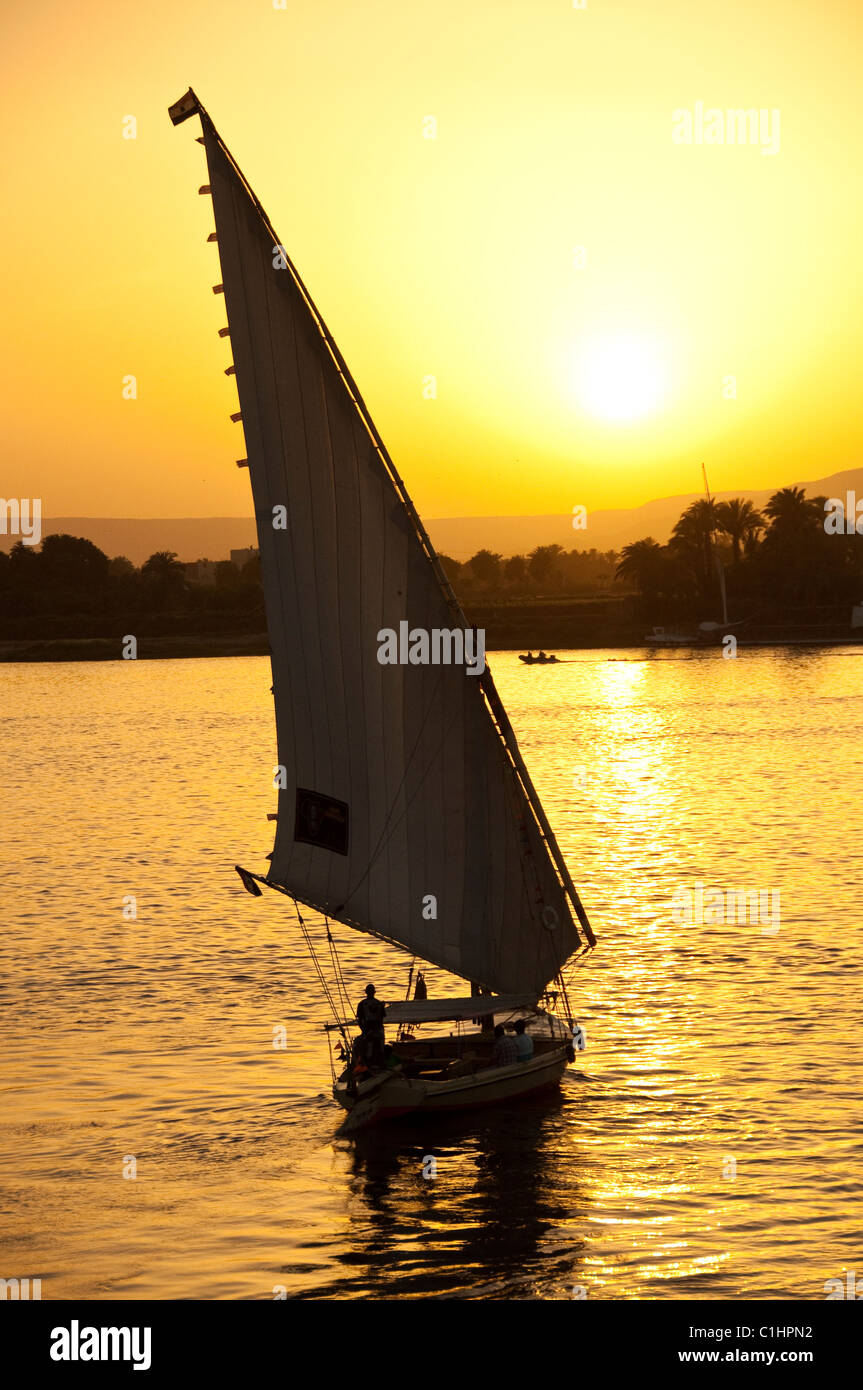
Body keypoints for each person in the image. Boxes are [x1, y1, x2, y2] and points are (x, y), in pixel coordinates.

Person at [356, 983, 386, 1068]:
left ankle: (365, 1062)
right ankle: (381, 1063)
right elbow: (381, 1020)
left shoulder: (362, 1004)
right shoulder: (379, 1004)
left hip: (368, 1030)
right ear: (374, 992)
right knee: (380, 1048)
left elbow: (360, 1021)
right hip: (378, 1030)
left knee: (364, 1046)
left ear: (366, 993)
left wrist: (365, 1031)